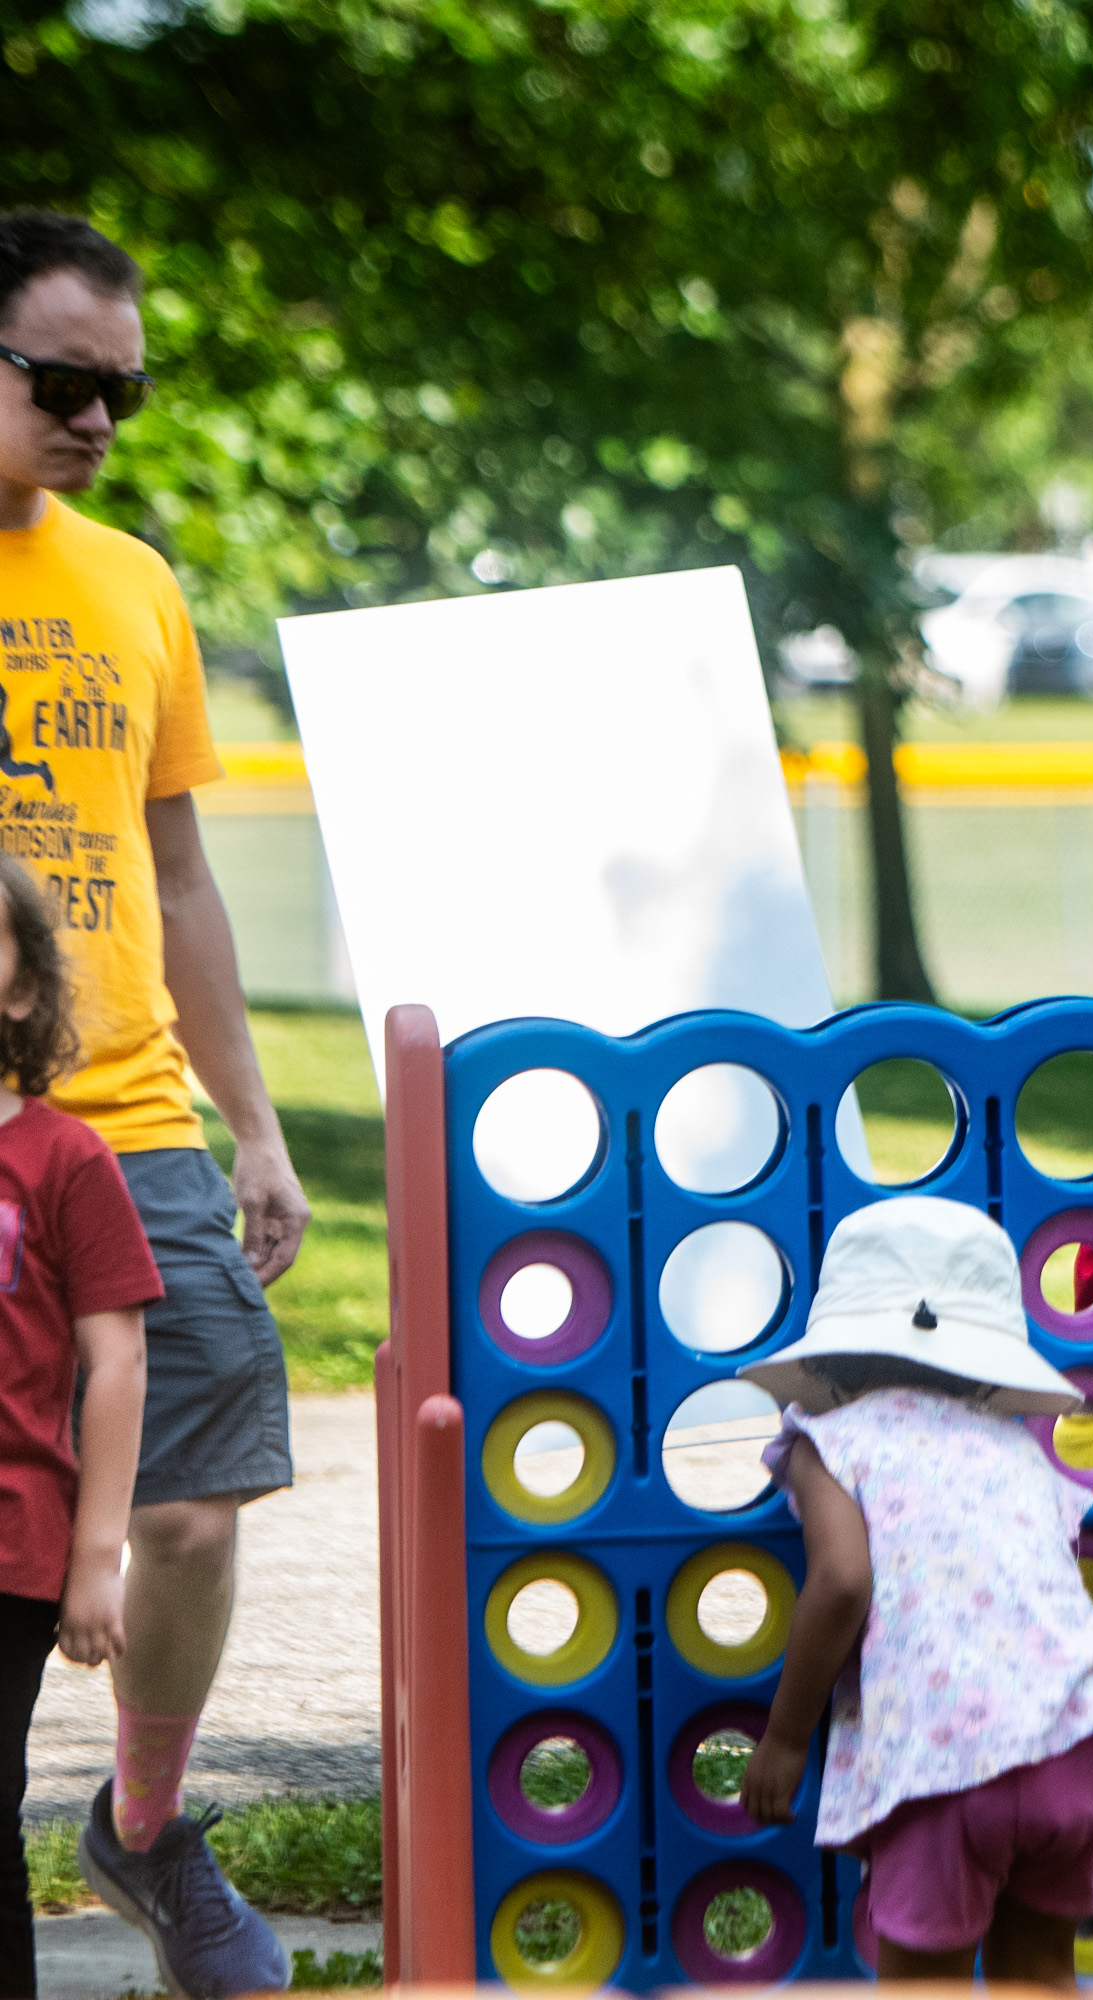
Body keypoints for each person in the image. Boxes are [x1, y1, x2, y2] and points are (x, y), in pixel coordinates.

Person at [0, 211, 310, 1997]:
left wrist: (253, 1121)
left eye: (124, 390)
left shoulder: (134, 581)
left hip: (130, 1118)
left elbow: (177, 870)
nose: (101, 419)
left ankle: (140, 1823)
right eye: (62, 382)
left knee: (190, 1509)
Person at [738, 1197, 1093, 1984]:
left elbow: (842, 1581)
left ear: (836, 1356)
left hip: (948, 1752)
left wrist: (789, 1739)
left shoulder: (830, 1440)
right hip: (1087, 1737)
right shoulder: (1017, 1451)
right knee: (1040, 1977)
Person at [0, 855, 159, 2000]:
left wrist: (96, 1558)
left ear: (20, 989)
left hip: (11, 1542)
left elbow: (116, 1360)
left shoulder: (65, 1158)